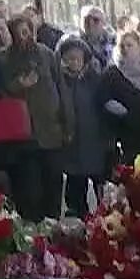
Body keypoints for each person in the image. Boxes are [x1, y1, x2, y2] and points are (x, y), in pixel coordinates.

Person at [1, 14, 65, 221]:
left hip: (50, 130)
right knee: (30, 190)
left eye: (27, 30)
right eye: (19, 31)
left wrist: (67, 123)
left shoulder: (46, 54)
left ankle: (52, 228)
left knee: (53, 184)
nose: (24, 35)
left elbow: (60, 87)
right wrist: (19, 85)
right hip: (22, 135)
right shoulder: (3, 58)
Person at [54, 35, 111, 217]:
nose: (74, 62)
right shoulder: (59, 82)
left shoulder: (95, 80)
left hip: (96, 145)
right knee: (76, 198)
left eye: (78, 58)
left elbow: (105, 109)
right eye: (70, 58)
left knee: (104, 197)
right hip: (71, 148)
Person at [103, 29, 140, 164]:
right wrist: (123, 112)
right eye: (122, 46)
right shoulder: (113, 72)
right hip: (127, 136)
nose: (125, 49)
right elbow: (103, 97)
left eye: (129, 45)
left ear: (139, 46)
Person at [76, 5, 114, 70]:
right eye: (86, 20)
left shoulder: (114, 41)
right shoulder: (74, 42)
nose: (90, 23)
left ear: (103, 23)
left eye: (95, 20)